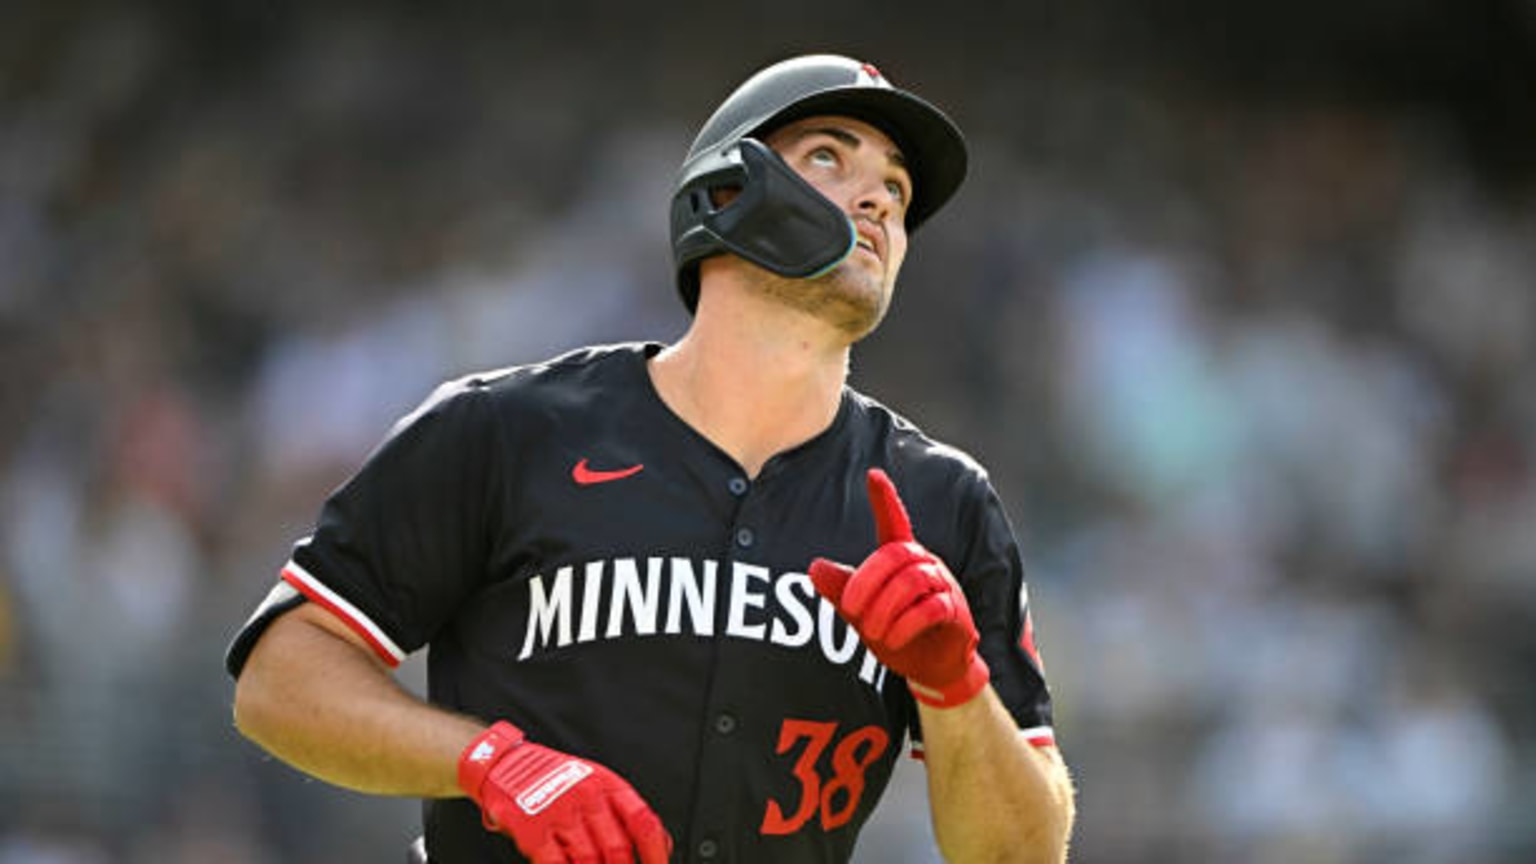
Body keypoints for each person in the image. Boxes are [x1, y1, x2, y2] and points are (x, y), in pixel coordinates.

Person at [227, 53, 1075, 864]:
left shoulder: (943, 502)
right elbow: (280, 680)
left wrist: (954, 686)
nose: (881, 202)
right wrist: (491, 764)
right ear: (725, 191)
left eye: (897, 186)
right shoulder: (508, 430)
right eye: (830, 157)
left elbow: (1021, 852)